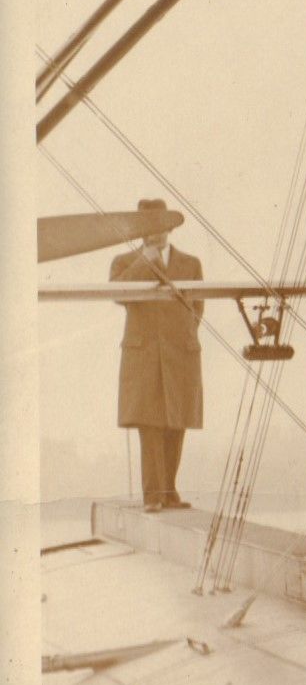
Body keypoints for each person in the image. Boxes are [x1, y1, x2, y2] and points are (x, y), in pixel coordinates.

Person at [111, 200, 204, 512]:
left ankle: (169, 492)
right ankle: (154, 495)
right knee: (149, 424)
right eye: (149, 226)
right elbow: (118, 293)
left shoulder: (191, 263)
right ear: (140, 229)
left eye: (161, 224)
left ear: (170, 226)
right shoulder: (124, 262)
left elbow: (197, 307)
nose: (157, 232)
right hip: (144, 355)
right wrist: (146, 260)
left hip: (180, 353)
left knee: (176, 422)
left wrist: (183, 336)